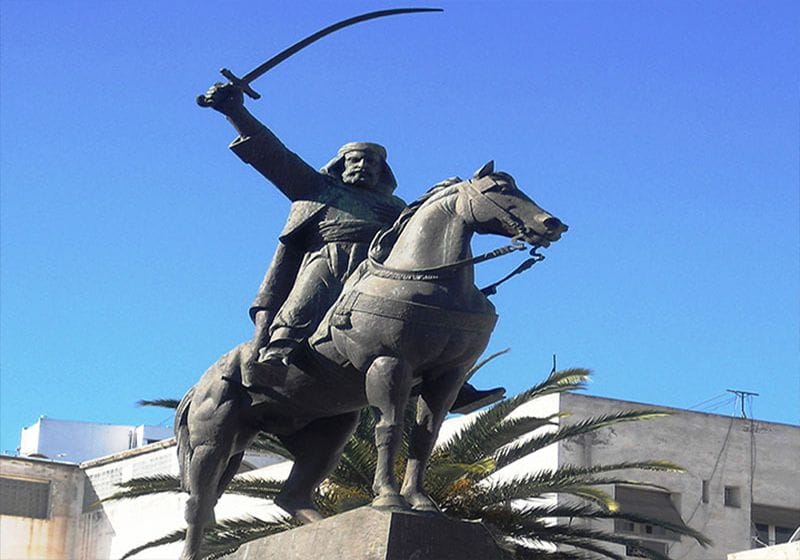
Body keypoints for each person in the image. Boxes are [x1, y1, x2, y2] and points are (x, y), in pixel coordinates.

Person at [202, 82, 503, 413]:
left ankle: (448, 379)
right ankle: (278, 349)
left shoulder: (395, 206)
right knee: (310, 293)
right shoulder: (317, 188)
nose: (364, 167)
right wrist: (236, 112)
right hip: (330, 260)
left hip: (377, 271)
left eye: (372, 163)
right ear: (342, 164)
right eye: (357, 160)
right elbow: (275, 156)